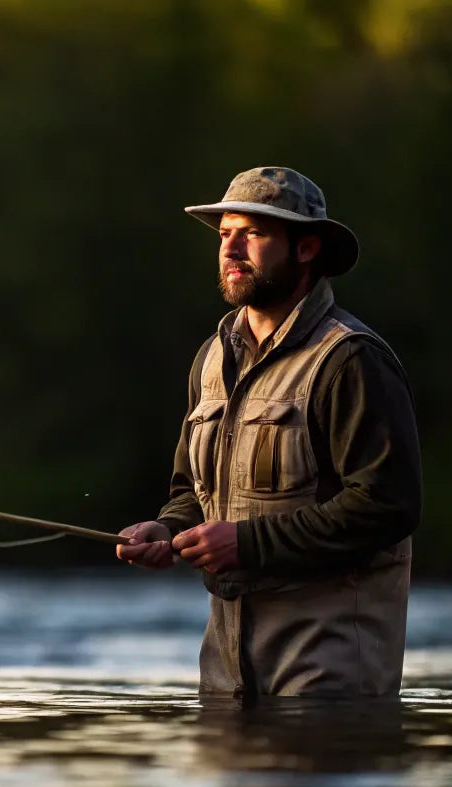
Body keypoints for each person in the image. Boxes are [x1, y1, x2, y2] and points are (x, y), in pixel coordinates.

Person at [116, 167, 421, 700]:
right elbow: (192, 490)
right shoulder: (211, 360)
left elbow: (387, 506)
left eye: (252, 234)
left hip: (328, 678)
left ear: (306, 249)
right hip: (227, 675)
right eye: (224, 234)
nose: (230, 249)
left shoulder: (350, 359)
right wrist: (168, 530)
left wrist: (247, 542)